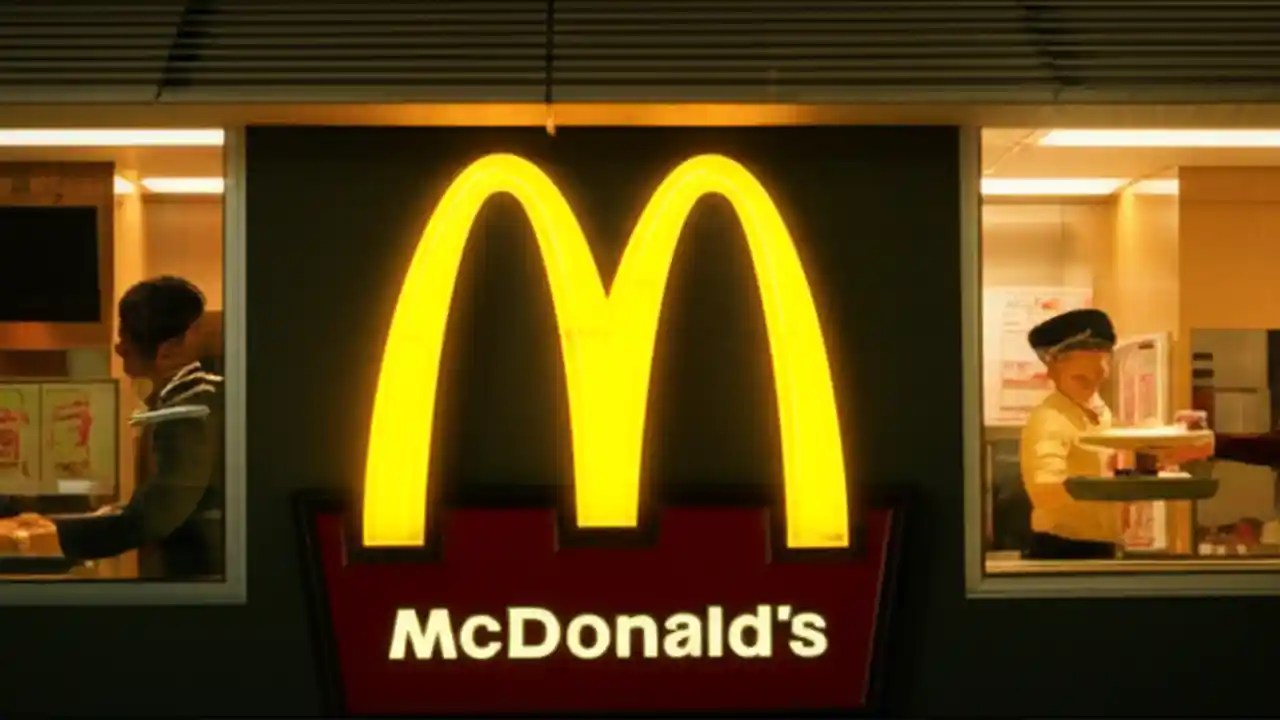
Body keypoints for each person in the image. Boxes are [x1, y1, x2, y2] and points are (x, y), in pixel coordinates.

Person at [0, 276, 224, 579]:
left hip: (201, 582)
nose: (119, 348)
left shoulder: (191, 407)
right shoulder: (177, 399)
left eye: (126, 336)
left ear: (170, 348)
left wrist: (49, 531)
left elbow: (155, 517)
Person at [1020, 308, 1122, 560]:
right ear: (1052, 371)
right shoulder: (1048, 419)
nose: (1092, 388)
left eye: (1099, 378)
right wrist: (1109, 490)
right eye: (1081, 379)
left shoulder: (1100, 412)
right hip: (1063, 546)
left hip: (1102, 542)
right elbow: (1045, 488)